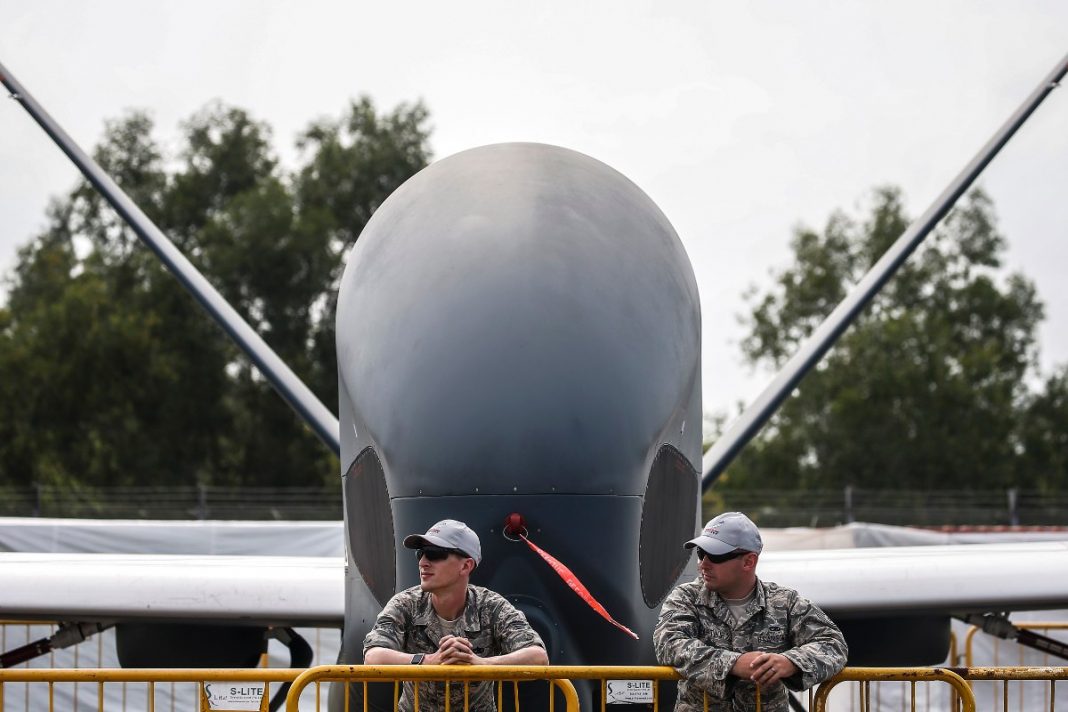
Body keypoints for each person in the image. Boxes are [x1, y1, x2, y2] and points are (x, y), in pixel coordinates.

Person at [653, 512, 847, 712]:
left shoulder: (785, 602)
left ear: (748, 561)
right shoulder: (687, 598)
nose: (703, 564)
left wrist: (790, 662)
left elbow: (833, 644)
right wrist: (733, 664)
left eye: (716, 556)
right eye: (701, 553)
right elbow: (669, 643)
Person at [363, 519, 548, 712]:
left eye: (435, 554)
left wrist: (481, 664)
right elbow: (373, 656)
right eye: (421, 553)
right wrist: (428, 661)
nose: (423, 562)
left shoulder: (491, 606)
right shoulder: (406, 603)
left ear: (466, 566)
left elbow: (537, 657)